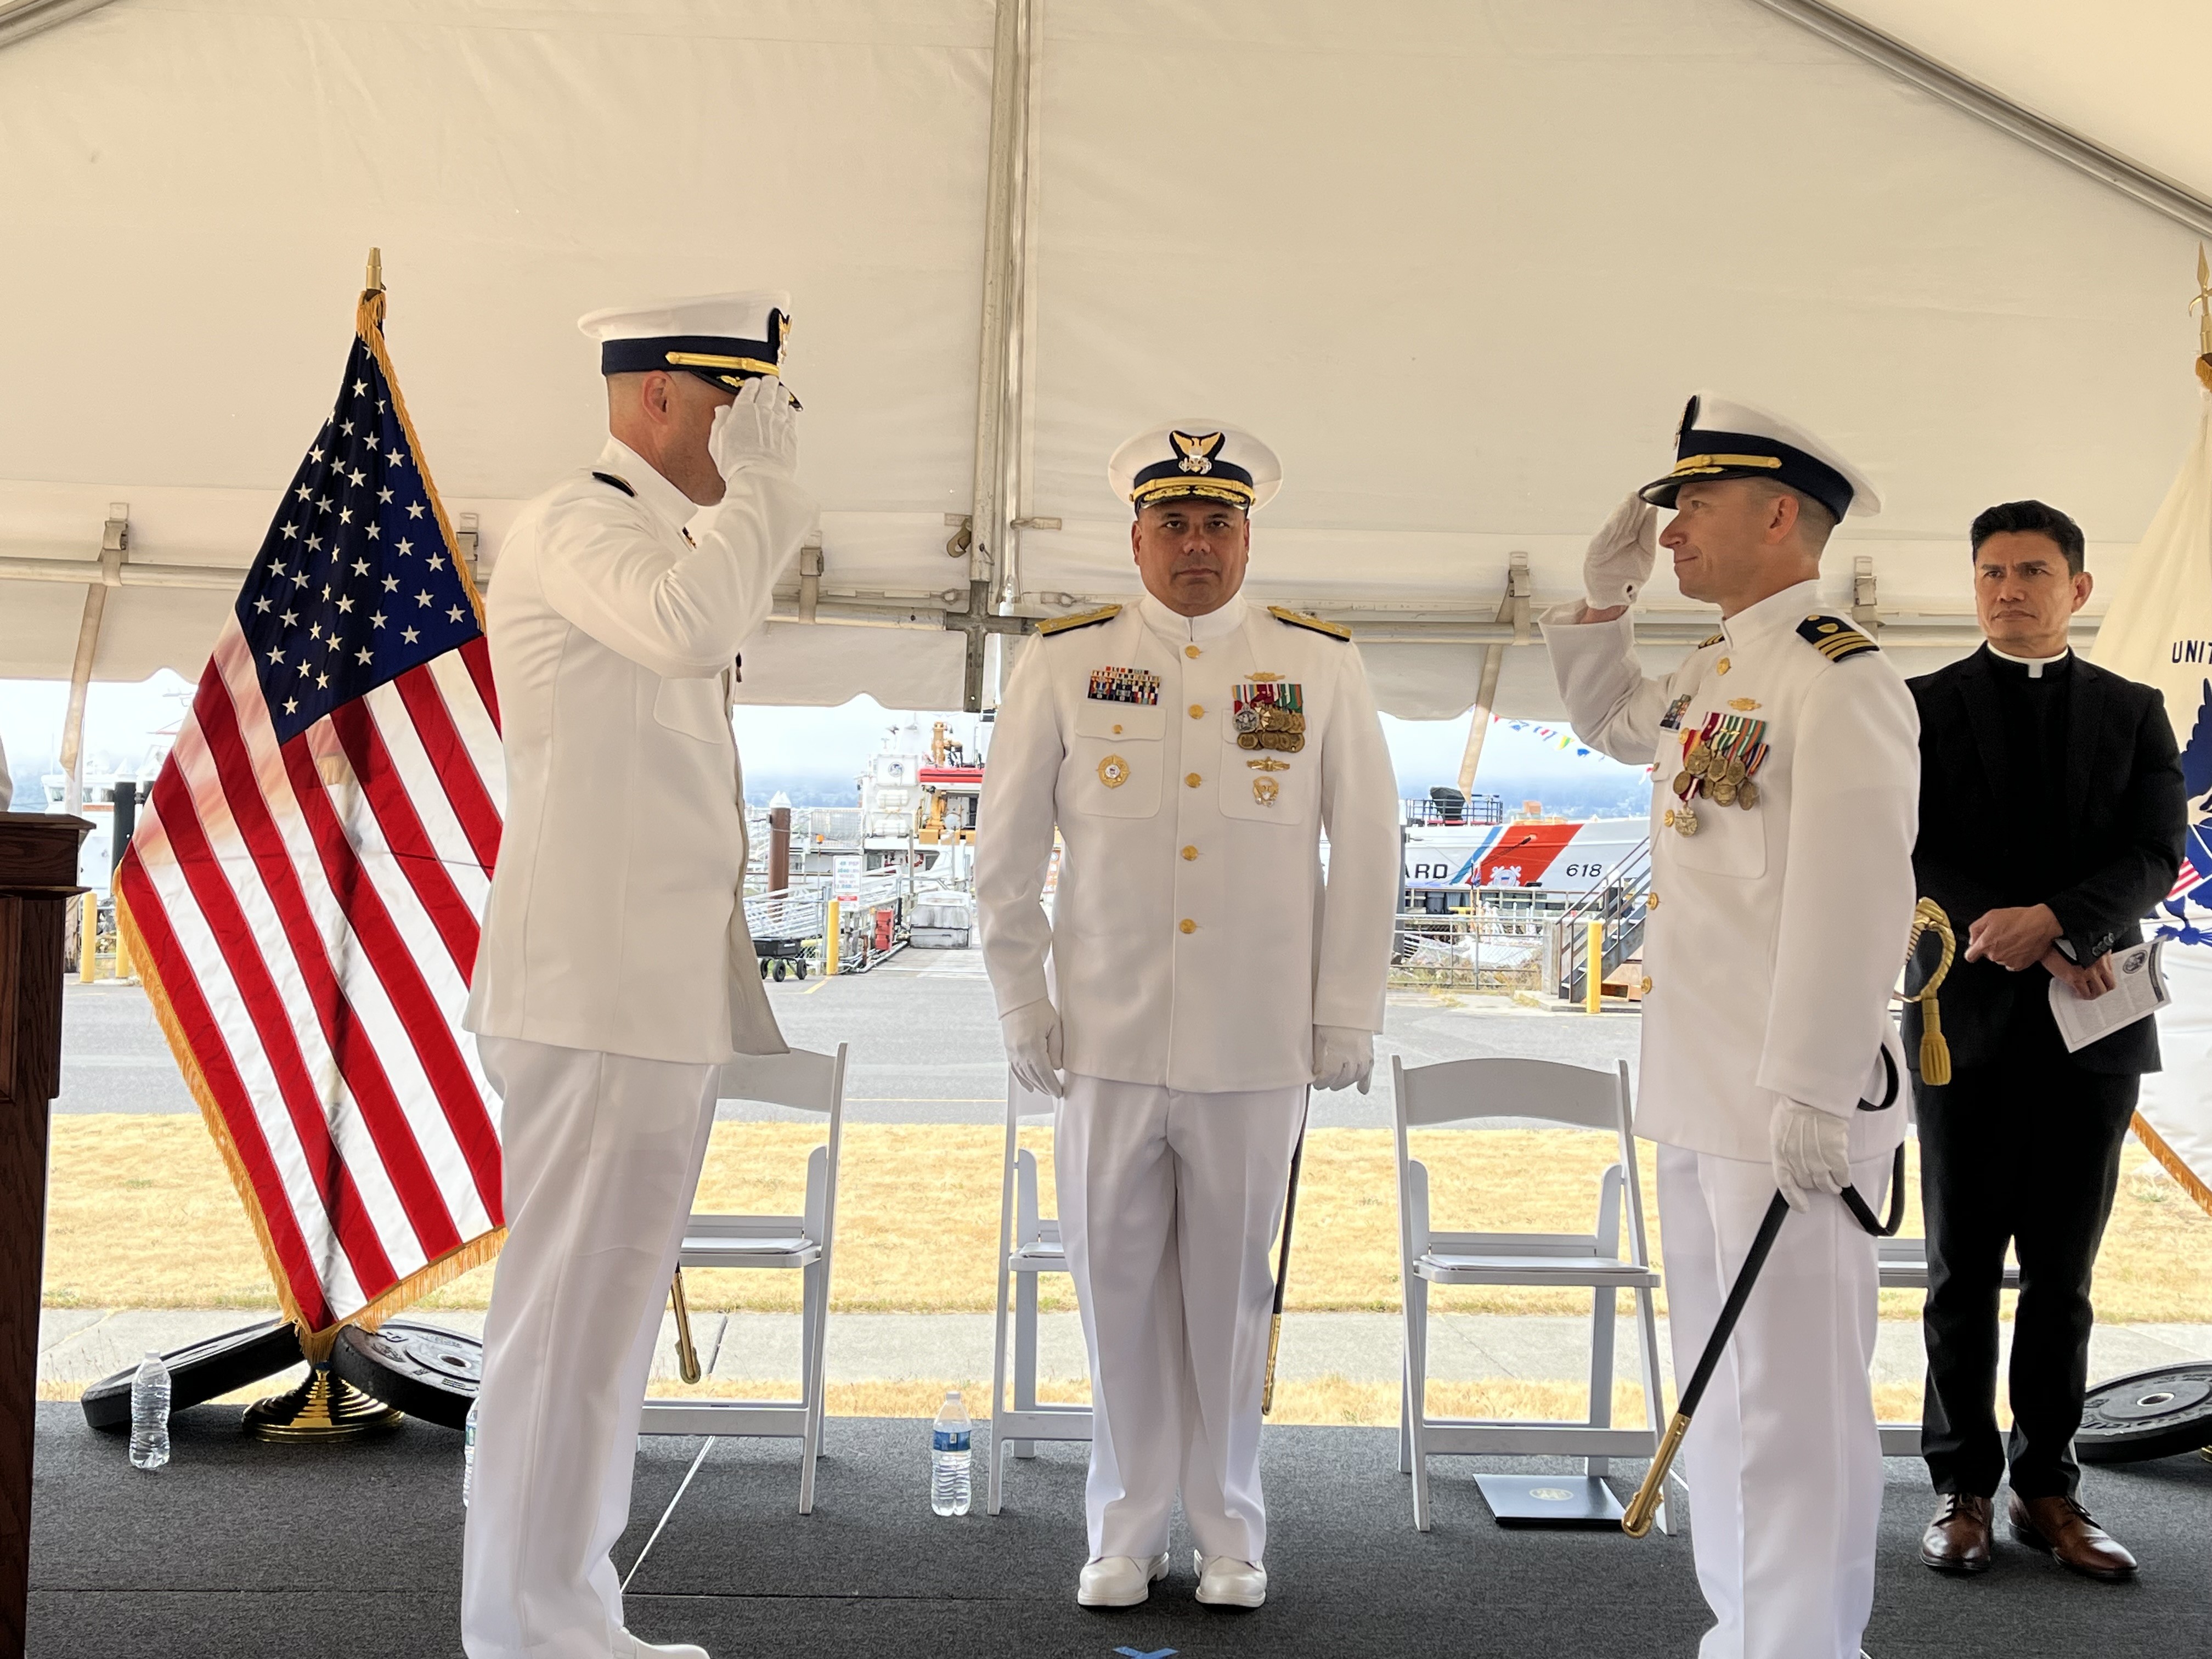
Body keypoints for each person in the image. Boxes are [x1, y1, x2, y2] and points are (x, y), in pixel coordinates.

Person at [975, 422, 1399, 1611]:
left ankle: (1229, 1533)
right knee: (1112, 1287)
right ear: (1137, 537)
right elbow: (1003, 860)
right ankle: (1122, 1527)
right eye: (1175, 524)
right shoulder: (1066, 661)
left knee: (1230, 1294)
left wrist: (1345, 1009)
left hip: (1257, 1042)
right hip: (1104, 1040)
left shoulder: (1319, 665)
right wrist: (1024, 999)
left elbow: (1367, 846)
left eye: (1218, 523)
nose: (1197, 545)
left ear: (1249, 535)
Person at [460, 292, 815, 1659]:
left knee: (596, 1336)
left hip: (647, 997)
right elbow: (682, 627)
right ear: (661, 398)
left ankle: (564, 1609)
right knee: (558, 1326)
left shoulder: (664, 536)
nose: (757, 436)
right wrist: (768, 496)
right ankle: (525, 1625)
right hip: (592, 993)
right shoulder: (576, 522)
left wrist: (750, 501)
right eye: (740, 406)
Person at [1543, 394, 1917, 1659]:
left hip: (1787, 1107)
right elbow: (1609, 726)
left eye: (1692, 507)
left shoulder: (1834, 672)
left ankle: (1808, 1643)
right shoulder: (1717, 667)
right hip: (1705, 1091)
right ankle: (1747, 1631)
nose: (1672, 531)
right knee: (1724, 1388)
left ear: (1777, 516)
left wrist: (1814, 1085)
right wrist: (1602, 606)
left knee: (1796, 1407)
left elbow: (1856, 894)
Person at [1904, 499, 2183, 1582]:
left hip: (2096, 1023)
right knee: (1960, 1271)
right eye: (1990, 573)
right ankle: (1961, 1488)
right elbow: (1904, 839)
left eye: (2030, 571)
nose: (2008, 589)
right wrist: (2013, 929)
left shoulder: (2134, 710)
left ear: (2079, 588)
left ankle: (2048, 1491)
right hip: (1961, 1020)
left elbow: (2159, 850)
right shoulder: (1921, 707)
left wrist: (2065, 924)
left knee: (2063, 1276)